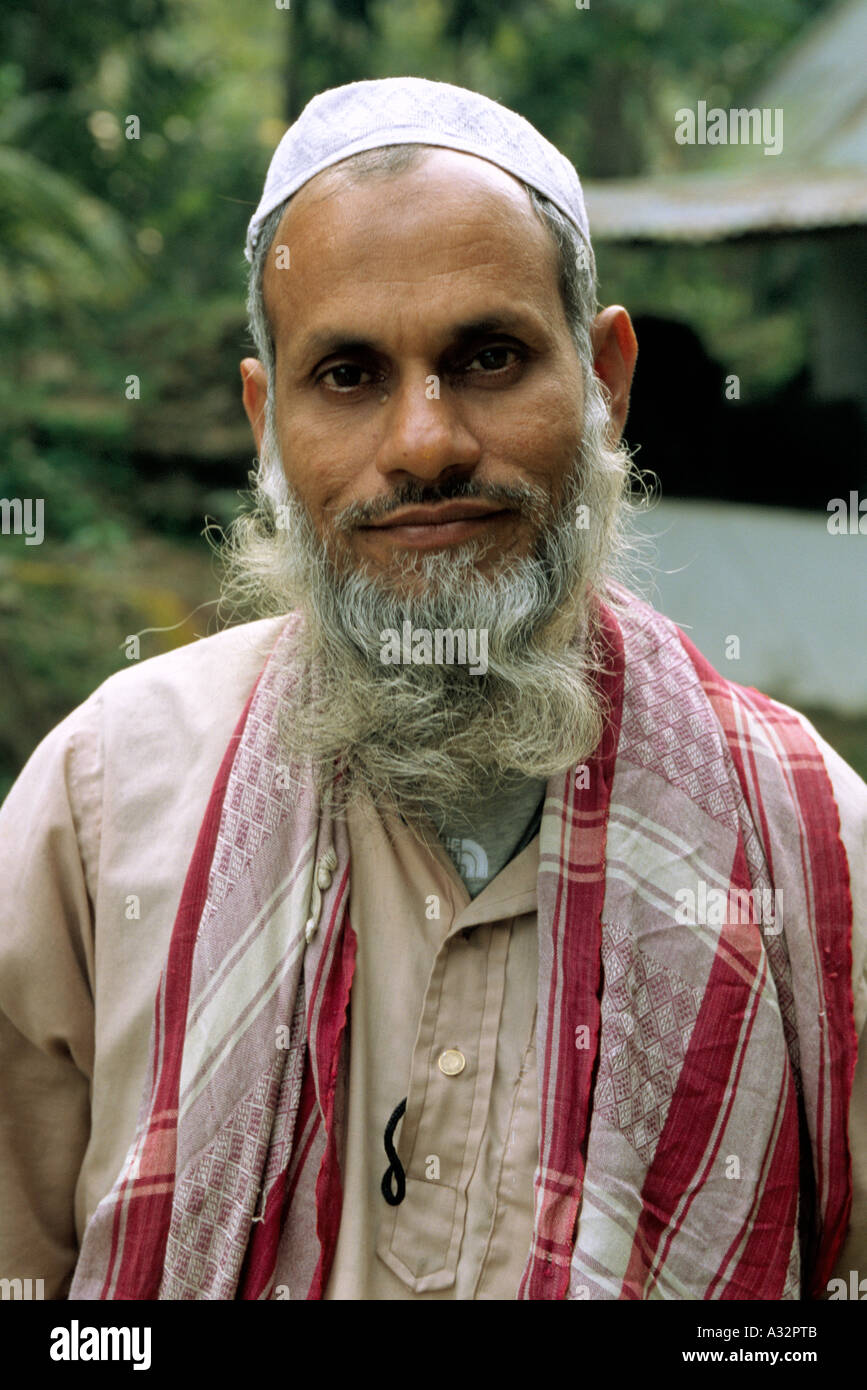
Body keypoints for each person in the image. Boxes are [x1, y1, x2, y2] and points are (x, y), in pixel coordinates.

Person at [0, 77, 864, 1302]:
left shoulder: (816, 847)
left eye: (490, 356)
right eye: (348, 375)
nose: (425, 442)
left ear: (607, 378)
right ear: (267, 426)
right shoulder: (101, 807)